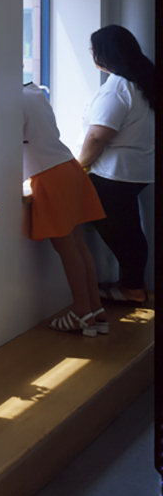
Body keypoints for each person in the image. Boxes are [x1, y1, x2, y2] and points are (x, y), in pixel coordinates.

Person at [78, 25, 155, 306]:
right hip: (138, 171)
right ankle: (133, 285)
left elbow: (99, 135)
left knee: (125, 235)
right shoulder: (143, 82)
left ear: (104, 54)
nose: (91, 55)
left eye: (93, 50)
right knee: (131, 231)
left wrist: (79, 166)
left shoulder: (118, 87)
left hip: (113, 174)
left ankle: (132, 290)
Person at [22, 82, 107, 335]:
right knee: (79, 245)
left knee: (67, 249)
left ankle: (82, 314)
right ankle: (96, 310)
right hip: (68, 167)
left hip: (49, 176)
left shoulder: (12, 101)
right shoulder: (34, 91)